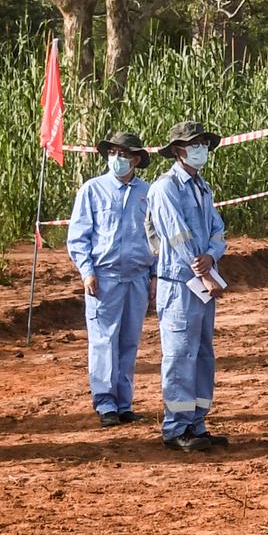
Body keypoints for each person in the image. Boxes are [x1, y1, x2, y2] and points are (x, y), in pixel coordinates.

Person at [147, 120, 228, 452]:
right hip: (180, 284)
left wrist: (211, 255)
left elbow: (217, 229)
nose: (200, 150)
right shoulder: (165, 188)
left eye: (203, 144)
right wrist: (202, 268)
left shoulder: (202, 186)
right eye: (194, 144)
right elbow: (177, 236)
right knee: (180, 356)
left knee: (203, 355)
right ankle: (176, 426)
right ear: (178, 150)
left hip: (203, 284)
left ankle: (197, 421)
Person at [66, 131, 154, 427]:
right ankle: (105, 404)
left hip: (137, 277)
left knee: (129, 341)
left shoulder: (148, 193)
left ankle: (124, 402)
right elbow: (78, 237)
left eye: (124, 154)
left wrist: (153, 276)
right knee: (104, 341)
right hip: (104, 278)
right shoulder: (92, 190)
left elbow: (156, 237)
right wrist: (87, 271)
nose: (117, 159)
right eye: (113, 153)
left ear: (136, 160)